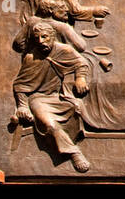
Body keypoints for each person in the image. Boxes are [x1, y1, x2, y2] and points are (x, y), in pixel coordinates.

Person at [11, 21, 93, 172]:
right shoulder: (31, 57)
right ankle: (74, 152)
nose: (41, 41)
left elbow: (81, 63)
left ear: (52, 37)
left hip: (59, 97)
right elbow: (20, 85)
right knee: (50, 124)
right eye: (37, 38)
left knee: (77, 109)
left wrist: (80, 78)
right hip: (38, 99)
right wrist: (22, 106)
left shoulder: (65, 51)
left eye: (44, 37)